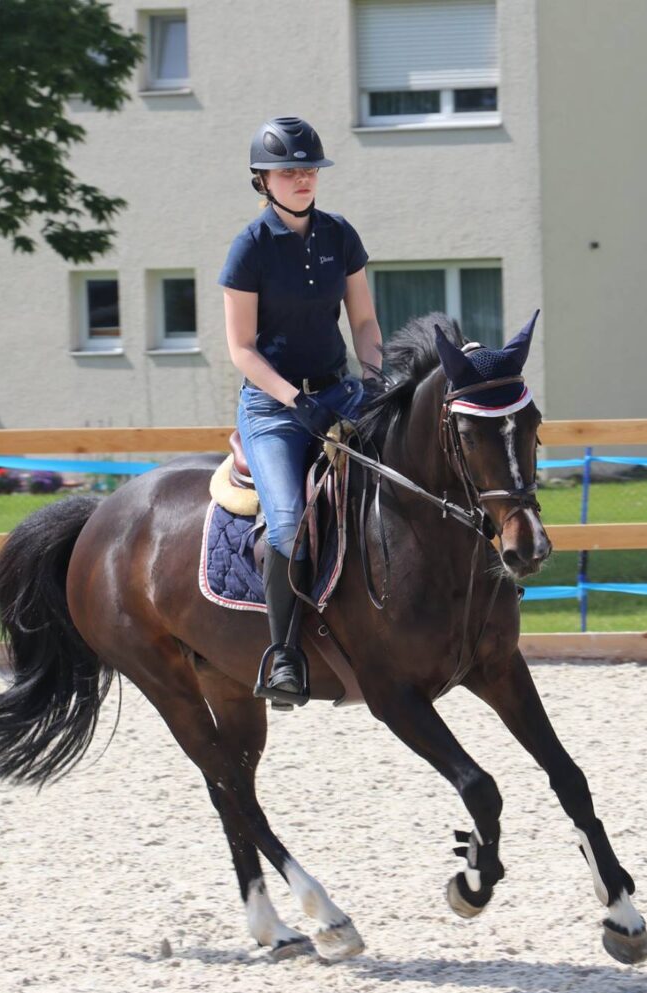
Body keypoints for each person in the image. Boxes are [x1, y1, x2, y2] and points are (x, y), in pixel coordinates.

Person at [220, 116, 384, 707]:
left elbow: (363, 323)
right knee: (288, 522)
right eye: (289, 171)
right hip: (274, 409)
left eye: (309, 169)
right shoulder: (250, 247)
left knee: (406, 479)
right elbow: (241, 349)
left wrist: (377, 381)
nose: (303, 178)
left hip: (341, 392)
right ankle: (284, 656)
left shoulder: (340, 235)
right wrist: (295, 400)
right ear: (263, 180)